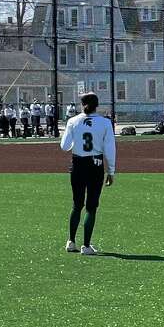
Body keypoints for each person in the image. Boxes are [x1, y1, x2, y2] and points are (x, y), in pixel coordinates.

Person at [60, 92, 116, 256]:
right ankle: (86, 246)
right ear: (97, 104)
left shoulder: (72, 121)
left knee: (77, 205)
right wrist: (111, 171)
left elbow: (64, 146)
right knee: (91, 207)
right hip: (95, 165)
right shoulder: (105, 123)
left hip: (77, 164)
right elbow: (110, 149)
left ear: (81, 104)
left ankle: (71, 242)